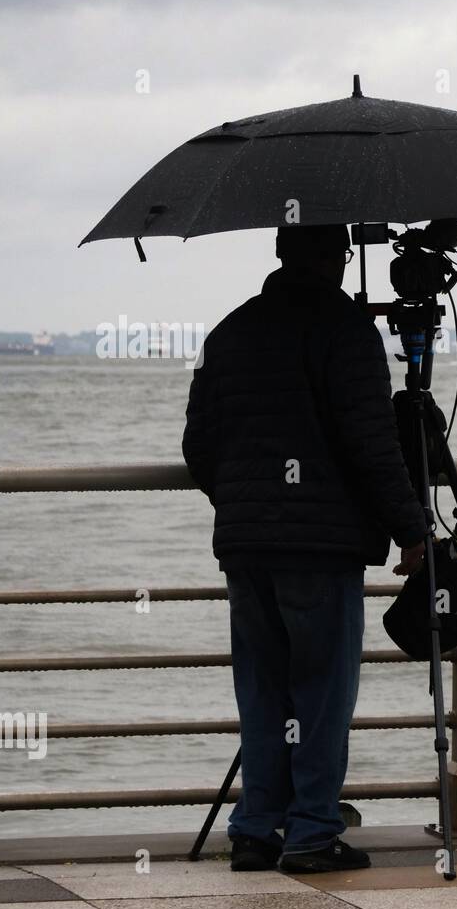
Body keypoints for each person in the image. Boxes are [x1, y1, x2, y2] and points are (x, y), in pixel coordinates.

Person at [182, 224, 427, 873]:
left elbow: (198, 448)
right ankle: (314, 829)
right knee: (321, 690)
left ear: (282, 253)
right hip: (321, 549)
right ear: (337, 258)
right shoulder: (345, 333)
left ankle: (257, 828)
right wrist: (413, 529)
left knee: (262, 688)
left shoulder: (228, 333)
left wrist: (245, 502)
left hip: (246, 544)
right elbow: (375, 448)